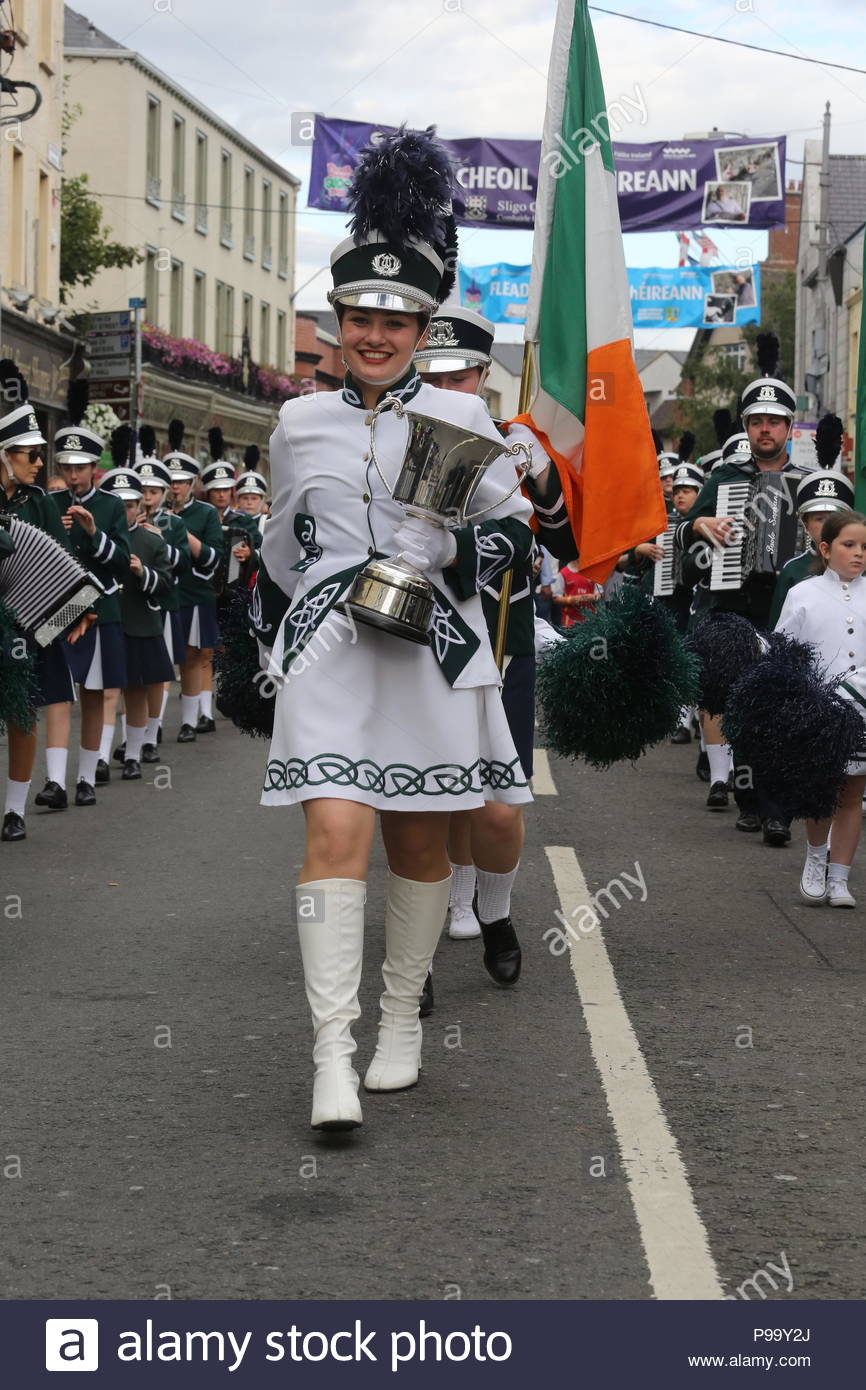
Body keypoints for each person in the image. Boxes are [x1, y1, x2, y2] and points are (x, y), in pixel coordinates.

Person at [252, 127, 534, 1131]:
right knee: (334, 830)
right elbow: (281, 547)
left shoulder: (469, 426)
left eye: (396, 320)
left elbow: (516, 552)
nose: (374, 334)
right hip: (331, 652)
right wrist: (284, 623)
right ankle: (330, 1053)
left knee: (419, 841)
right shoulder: (295, 424)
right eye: (359, 317)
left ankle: (400, 1022)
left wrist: (446, 552)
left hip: (429, 654)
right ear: (335, 322)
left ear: (421, 330)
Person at [415, 305, 573, 970]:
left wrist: (541, 480)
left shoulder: (514, 441)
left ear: (483, 374)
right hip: (423, 636)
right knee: (438, 788)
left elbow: (565, 545)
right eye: (432, 375)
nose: (446, 388)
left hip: (501, 637)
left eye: (458, 376)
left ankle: (496, 909)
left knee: (498, 804)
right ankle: (451, 901)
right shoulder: (398, 434)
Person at [675, 339, 800, 842]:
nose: (764, 429)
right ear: (747, 429)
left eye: (773, 421)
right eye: (756, 422)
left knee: (782, 706)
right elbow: (684, 547)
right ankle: (752, 801)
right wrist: (700, 524)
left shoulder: (809, 483)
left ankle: (777, 809)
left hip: (786, 607)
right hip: (732, 606)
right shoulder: (725, 478)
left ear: (789, 427)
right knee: (743, 704)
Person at [0, 367, 91, 841]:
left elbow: (63, 564)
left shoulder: (40, 503)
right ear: (4, 455)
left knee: (21, 713)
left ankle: (14, 811)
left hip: (23, 626)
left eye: (40, 455)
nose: (40, 463)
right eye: (31, 456)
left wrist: (80, 607)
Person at [775, 511, 866, 908]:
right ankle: (815, 856)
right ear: (825, 549)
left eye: (865, 547)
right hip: (819, 709)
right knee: (823, 790)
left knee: (853, 794)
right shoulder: (804, 593)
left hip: (863, 711)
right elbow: (783, 649)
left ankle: (840, 878)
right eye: (849, 545)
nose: (859, 554)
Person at [52, 422, 130, 807]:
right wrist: (62, 533)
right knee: (58, 696)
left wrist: (94, 533)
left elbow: (120, 563)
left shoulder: (112, 505)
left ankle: (85, 778)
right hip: (59, 612)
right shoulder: (51, 504)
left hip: (101, 608)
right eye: (66, 466)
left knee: (95, 695)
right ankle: (54, 782)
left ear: (93, 468)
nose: (73, 474)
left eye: (80, 467)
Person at [99, 468, 174, 779]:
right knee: (104, 692)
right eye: (118, 504)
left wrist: (143, 572)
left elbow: (167, 582)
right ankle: (100, 756)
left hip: (139, 623)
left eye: (130, 504)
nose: (124, 510)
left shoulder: (150, 540)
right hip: (106, 622)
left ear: (140, 507)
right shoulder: (98, 538)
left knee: (137, 690)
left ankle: (133, 753)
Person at [164, 421, 223, 743]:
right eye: (170, 482)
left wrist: (180, 532)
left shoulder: (205, 514)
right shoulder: (155, 511)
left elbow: (214, 558)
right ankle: (154, 726)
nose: (175, 488)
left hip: (196, 592)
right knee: (176, 657)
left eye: (181, 482)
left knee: (199, 654)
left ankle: (199, 715)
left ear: (191, 483)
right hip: (165, 592)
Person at [136, 449, 191, 754]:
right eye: (143, 491)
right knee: (134, 674)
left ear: (163, 493)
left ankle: (151, 732)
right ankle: (133, 734)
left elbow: (183, 564)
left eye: (154, 491)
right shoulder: (127, 518)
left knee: (158, 672)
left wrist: (159, 539)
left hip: (164, 605)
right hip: (133, 604)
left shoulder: (174, 524)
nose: (147, 497)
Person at [551, 557, 602, 627]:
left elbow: (599, 593)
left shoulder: (592, 572)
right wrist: (570, 600)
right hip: (569, 622)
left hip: (590, 621)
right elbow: (555, 598)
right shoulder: (563, 573)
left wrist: (593, 597)